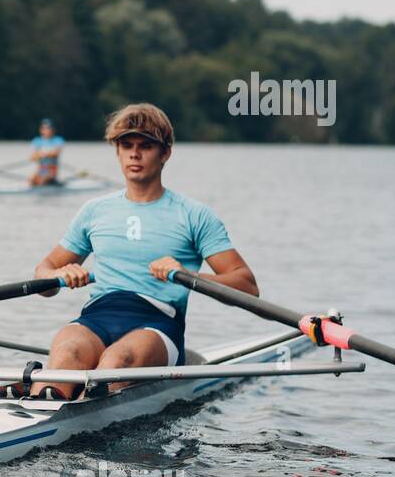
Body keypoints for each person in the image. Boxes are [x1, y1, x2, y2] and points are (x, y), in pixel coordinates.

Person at [31, 103, 259, 400]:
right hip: (97, 316)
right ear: (118, 152)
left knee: (116, 362)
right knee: (66, 352)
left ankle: (85, 406)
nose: (134, 154)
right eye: (126, 145)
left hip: (158, 322)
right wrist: (58, 274)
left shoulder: (194, 215)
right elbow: (42, 276)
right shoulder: (94, 211)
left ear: (165, 153)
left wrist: (188, 275)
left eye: (145, 146)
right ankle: (41, 407)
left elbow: (247, 286)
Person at [28, 119, 65, 187]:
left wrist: (44, 154)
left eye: (48, 128)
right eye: (44, 128)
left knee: (41, 180)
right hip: (42, 169)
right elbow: (33, 157)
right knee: (31, 180)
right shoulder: (37, 141)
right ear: (41, 130)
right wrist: (36, 156)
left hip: (52, 169)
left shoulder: (58, 140)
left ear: (53, 130)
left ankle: (49, 186)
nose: (46, 130)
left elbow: (56, 152)